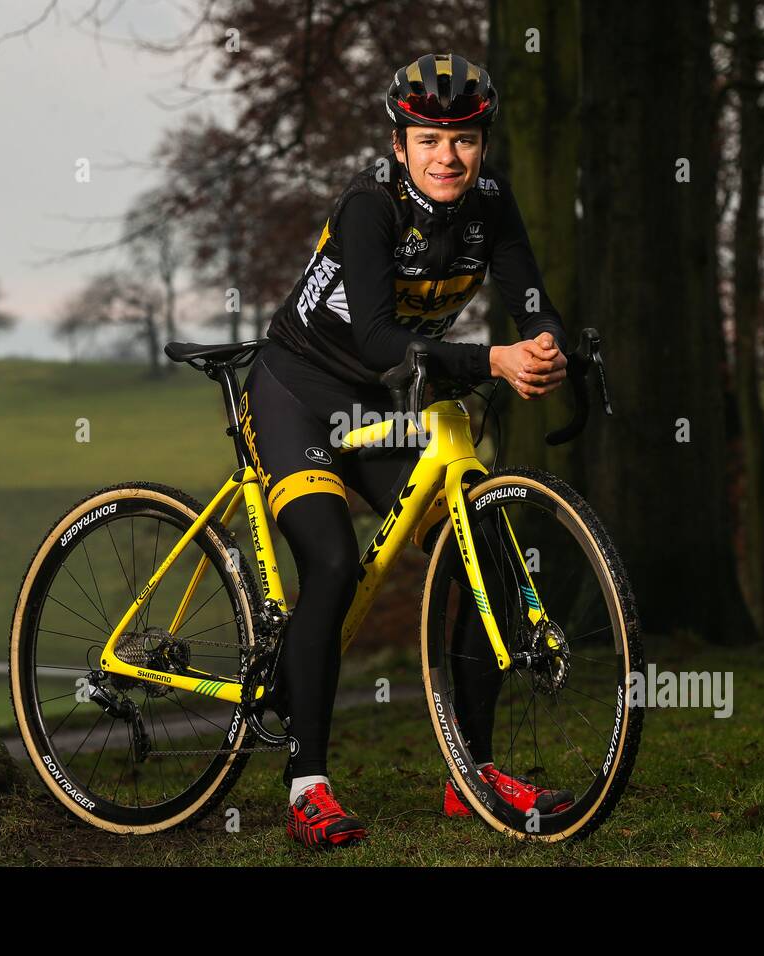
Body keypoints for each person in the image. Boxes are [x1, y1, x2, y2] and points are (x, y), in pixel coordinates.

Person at [241, 52, 572, 849]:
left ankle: (471, 776)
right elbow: (385, 342)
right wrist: (494, 360)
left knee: (481, 546)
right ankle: (307, 784)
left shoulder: (490, 203)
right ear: (400, 146)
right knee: (329, 560)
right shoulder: (369, 207)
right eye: (428, 140)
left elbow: (527, 293)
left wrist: (551, 345)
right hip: (295, 389)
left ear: (482, 145)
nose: (447, 157)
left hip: (374, 404)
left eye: (463, 140)